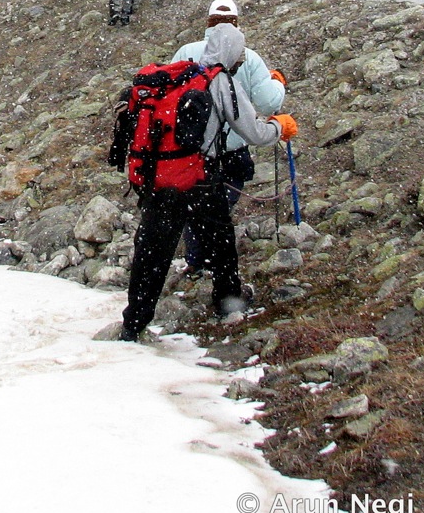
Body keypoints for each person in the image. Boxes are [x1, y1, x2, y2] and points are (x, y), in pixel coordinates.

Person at [120, 23, 298, 341]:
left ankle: (133, 324)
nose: (241, 59)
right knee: (220, 243)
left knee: (152, 253)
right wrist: (279, 127)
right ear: (231, 51)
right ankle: (228, 303)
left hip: (159, 180)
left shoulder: (180, 75)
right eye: (239, 53)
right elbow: (254, 132)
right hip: (199, 180)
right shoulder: (220, 81)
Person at [171, 0, 288, 277]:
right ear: (236, 24)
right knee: (221, 206)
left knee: (195, 202)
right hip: (232, 149)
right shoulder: (249, 57)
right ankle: (215, 266)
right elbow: (268, 103)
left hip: (192, 149)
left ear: (208, 23)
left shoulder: (186, 52)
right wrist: (277, 84)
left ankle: (196, 260)